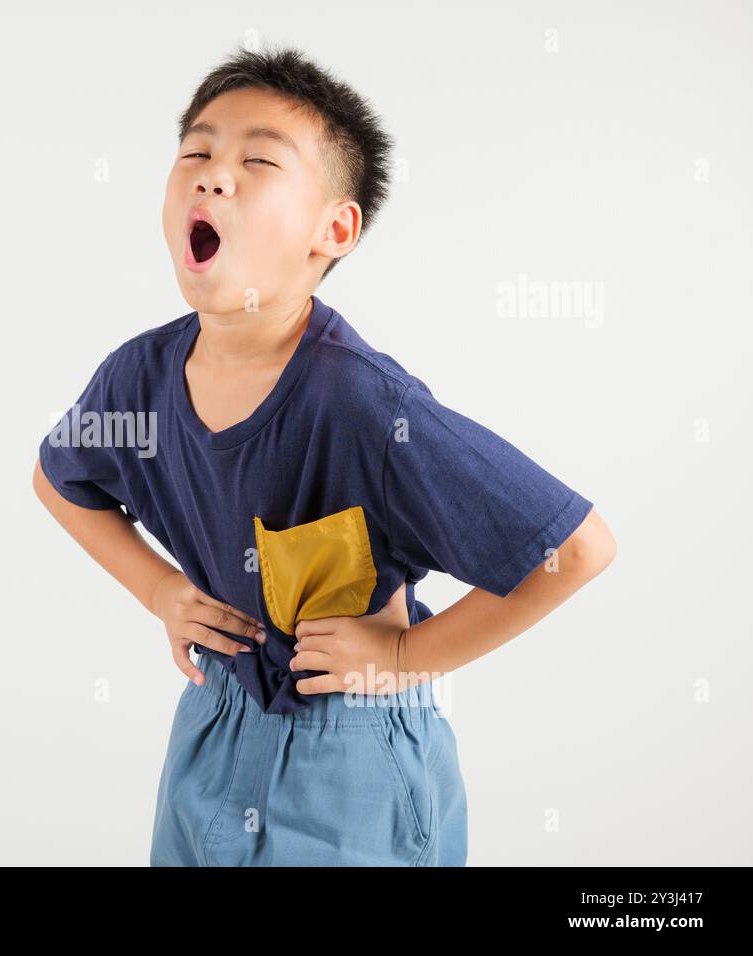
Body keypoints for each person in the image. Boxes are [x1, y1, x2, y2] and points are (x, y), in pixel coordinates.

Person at [32, 44, 616, 866]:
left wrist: (408, 653)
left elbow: (578, 548)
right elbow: (60, 481)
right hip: (214, 719)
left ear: (331, 229)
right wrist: (161, 589)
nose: (212, 174)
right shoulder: (139, 377)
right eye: (196, 151)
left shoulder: (363, 405)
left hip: (349, 748)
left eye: (257, 159)